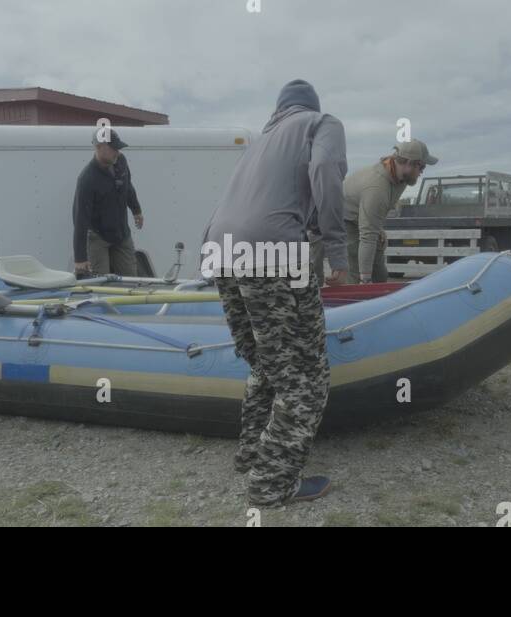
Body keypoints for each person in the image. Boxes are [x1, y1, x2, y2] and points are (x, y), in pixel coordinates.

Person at [203, 79, 348, 506]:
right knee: (305, 377)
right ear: (311, 106)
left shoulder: (262, 140)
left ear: (279, 109)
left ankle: (252, 454)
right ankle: (272, 484)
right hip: (275, 252)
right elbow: (325, 172)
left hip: (220, 249)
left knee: (265, 362)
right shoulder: (322, 123)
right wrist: (336, 250)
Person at [342, 139, 438, 283]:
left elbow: (377, 213)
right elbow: (367, 235)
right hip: (345, 219)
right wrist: (365, 280)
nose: (422, 172)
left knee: (380, 275)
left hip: (365, 216)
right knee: (356, 273)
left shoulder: (403, 178)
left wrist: (378, 227)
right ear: (409, 164)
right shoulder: (377, 188)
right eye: (422, 166)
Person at [72, 129, 143, 276]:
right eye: (113, 148)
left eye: (118, 148)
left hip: (121, 233)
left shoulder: (121, 161)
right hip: (98, 237)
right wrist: (80, 258)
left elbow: (128, 186)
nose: (117, 152)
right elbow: (80, 220)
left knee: (132, 279)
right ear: (99, 147)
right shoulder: (87, 179)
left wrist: (136, 210)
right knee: (100, 282)